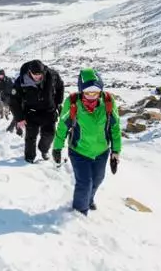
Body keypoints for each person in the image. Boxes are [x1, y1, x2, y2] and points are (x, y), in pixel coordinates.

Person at [53, 68, 122, 216]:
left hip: (102, 151)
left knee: (97, 180)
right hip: (79, 151)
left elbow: (115, 128)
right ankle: (79, 212)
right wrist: (57, 148)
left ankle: (88, 200)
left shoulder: (109, 102)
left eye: (95, 92)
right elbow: (63, 126)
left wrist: (116, 152)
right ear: (81, 90)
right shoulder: (72, 102)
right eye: (87, 92)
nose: (91, 96)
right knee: (85, 183)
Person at [10, 60, 64, 163]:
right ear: (30, 72)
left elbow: (60, 86)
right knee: (31, 137)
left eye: (39, 74)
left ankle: (43, 149)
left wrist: (57, 103)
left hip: (49, 111)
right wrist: (19, 118)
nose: (37, 77)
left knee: (50, 134)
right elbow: (14, 100)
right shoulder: (21, 80)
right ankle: (29, 158)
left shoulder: (52, 75)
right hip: (31, 112)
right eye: (35, 74)